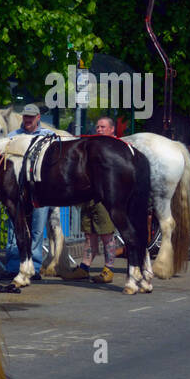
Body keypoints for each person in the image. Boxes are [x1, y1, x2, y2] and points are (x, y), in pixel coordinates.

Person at [0, 105, 57, 279]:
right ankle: (13, 266)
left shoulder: (48, 137)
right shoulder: (12, 137)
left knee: (37, 229)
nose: (28, 120)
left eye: (31, 117)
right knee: (14, 227)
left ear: (38, 117)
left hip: (40, 189)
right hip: (17, 190)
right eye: (26, 116)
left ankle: (35, 267)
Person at [79, 116, 119, 283]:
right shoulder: (93, 146)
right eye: (97, 127)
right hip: (89, 196)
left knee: (106, 234)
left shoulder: (116, 148)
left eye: (103, 127)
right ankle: (84, 268)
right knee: (89, 234)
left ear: (111, 129)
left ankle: (109, 268)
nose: (99, 129)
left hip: (105, 197)